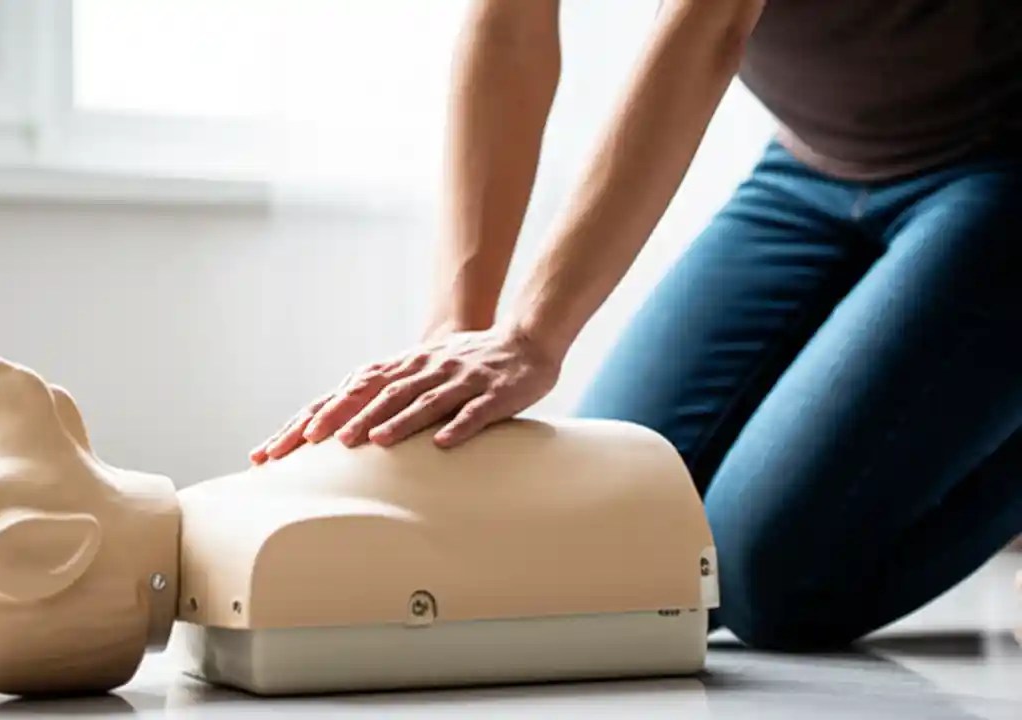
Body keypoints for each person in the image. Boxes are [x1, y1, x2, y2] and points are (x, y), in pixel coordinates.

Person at [251, 0, 1022, 650]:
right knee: (622, 542)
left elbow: (708, 25)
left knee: (771, 580)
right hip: (812, 168)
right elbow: (510, 27)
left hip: (1003, 159)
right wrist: (457, 326)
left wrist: (530, 337)